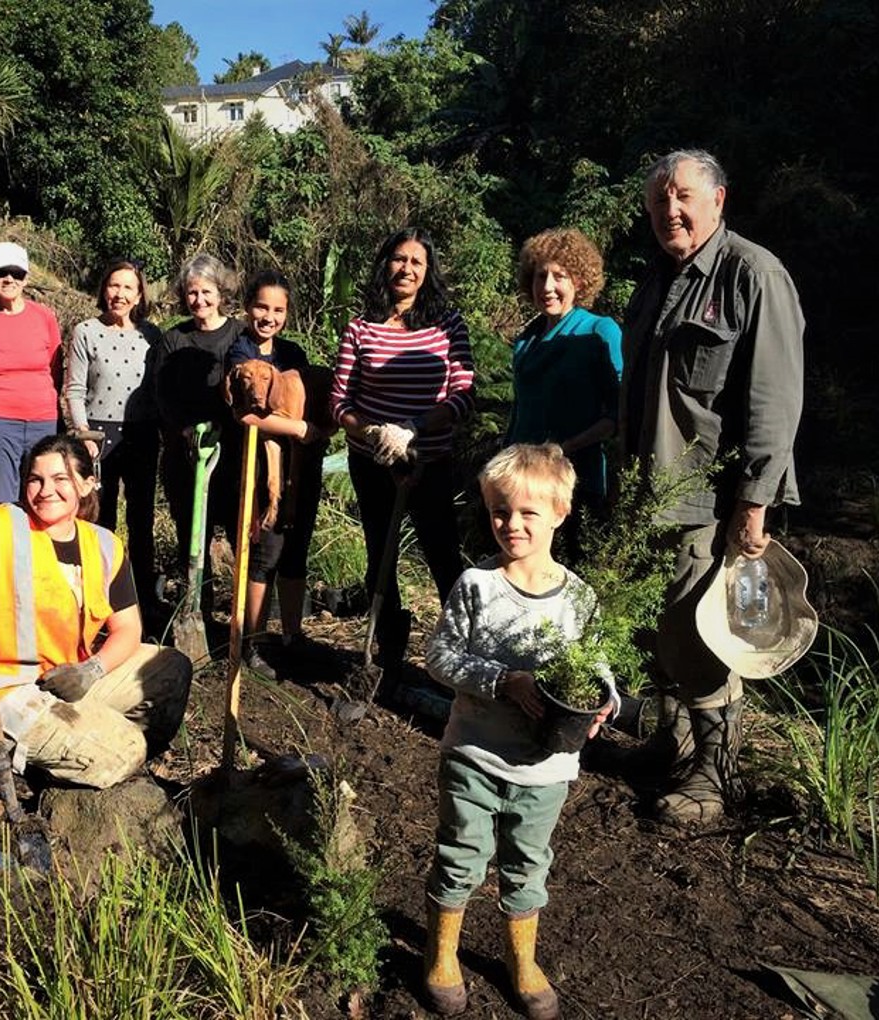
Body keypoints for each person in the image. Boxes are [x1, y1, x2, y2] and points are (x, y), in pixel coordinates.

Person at [621, 149, 804, 824]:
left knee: (701, 635)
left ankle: (712, 774)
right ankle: (672, 747)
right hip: (648, 491)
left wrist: (756, 501)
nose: (670, 210)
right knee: (658, 632)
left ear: (718, 201)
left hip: (710, 497)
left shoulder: (752, 273)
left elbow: (775, 396)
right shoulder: (658, 278)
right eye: (658, 202)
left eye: (683, 198)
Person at [423, 444, 616, 1017]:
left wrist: (605, 700)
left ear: (560, 513)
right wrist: (502, 678)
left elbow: (599, 662)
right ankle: (442, 954)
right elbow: (439, 655)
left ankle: (521, 959)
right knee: (461, 855)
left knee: (528, 863)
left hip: (545, 768)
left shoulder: (579, 598)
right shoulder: (477, 585)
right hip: (474, 754)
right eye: (500, 512)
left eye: (528, 513)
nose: (512, 524)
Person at [0, 434, 192, 790]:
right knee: (125, 749)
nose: (45, 490)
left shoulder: (103, 544)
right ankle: (36, 769)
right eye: (35, 479)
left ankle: (75, 756)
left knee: (170, 668)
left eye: (60, 479)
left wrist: (92, 670)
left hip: (61, 683)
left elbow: (128, 628)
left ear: (87, 484)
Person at [329, 227, 476, 693]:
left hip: (428, 460)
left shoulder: (447, 323)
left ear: (427, 271)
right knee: (380, 556)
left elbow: (465, 394)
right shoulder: (361, 325)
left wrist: (413, 426)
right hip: (371, 461)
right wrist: (372, 431)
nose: (406, 268)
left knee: (442, 557)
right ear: (385, 264)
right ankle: (386, 657)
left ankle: (463, 658)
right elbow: (338, 401)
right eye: (398, 259)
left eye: (416, 261)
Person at [224, 270, 332, 679]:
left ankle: (292, 637)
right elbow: (246, 414)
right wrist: (300, 429)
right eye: (262, 307)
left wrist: (318, 428)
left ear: (286, 314)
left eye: (278, 309)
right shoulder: (240, 352)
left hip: (302, 471)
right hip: (259, 474)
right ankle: (251, 642)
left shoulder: (293, 354)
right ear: (249, 308)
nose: (269, 316)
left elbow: (311, 399)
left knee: (295, 551)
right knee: (264, 554)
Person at [507, 227, 622, 558]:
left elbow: (615, 416)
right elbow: (521, 412)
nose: (547, 287)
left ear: (579, 282)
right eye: (540, 276)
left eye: (560, 276)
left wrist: (563, 449)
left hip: (576, 485)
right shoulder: (526, 339)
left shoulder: (599, 331)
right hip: (524, 485)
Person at [62, 259, 162, 613]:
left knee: (141, 519)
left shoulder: (151, 336)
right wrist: (83, 433)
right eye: (113, 286)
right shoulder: (86, 331)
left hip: (142, 433)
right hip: (98, 436)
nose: (119, 294)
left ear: (138, 296)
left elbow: (157, 389)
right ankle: (98, 598)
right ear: (104, 290)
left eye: (127, 288)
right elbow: (74, 390)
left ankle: (143, 600)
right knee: (100, 519)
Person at [155, 253, 244, 600]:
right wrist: (184, 429)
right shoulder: (173, 339)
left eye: (206, 292)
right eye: (192, 293)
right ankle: (197, 609)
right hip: (187, 457)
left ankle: (245, 624)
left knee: (241, 538)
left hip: (234, 456)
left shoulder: (239, 335)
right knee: (192, 539)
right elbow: (162, 395)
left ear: (220, 293)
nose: (199, 300)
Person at [0, 241, 63, 505]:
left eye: (17, 273)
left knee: (43, 501)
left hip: (43, 422)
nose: (9, 278)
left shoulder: (44, 317)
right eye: (2, 272)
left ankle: (37, 549)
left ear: (26, 278)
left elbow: (56, 370)